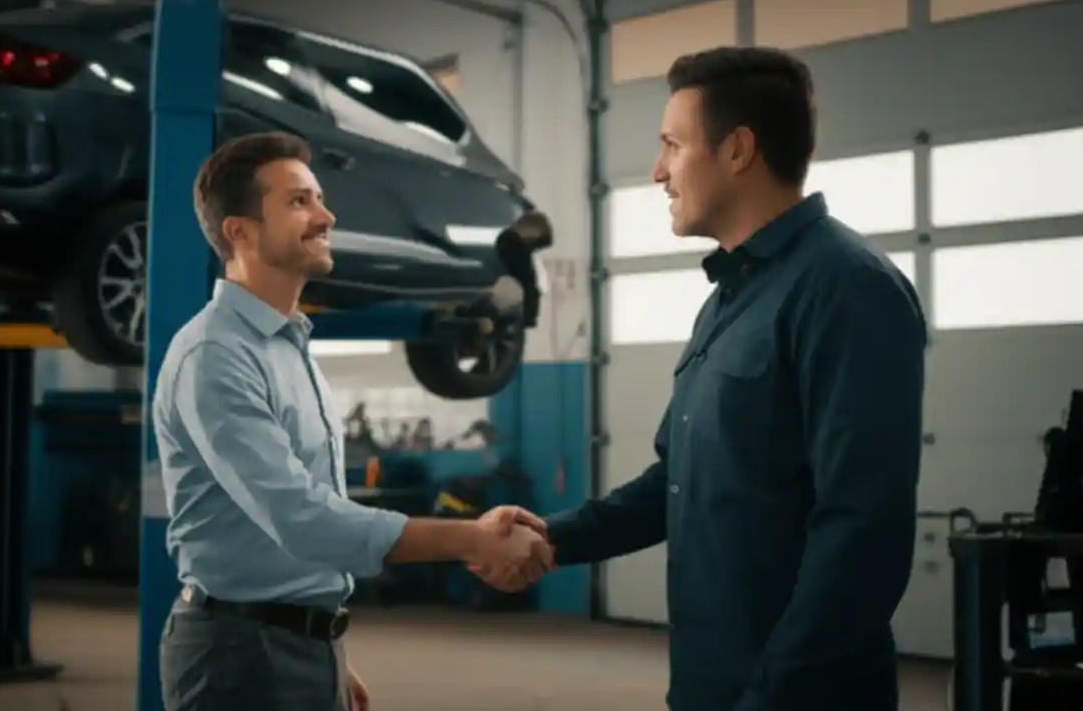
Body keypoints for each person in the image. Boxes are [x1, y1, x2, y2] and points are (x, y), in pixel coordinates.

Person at [481, 47, 929, 710]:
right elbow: (678, 482)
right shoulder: (730, 296)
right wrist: (555, 538)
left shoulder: (846, 288)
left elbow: (862, 531)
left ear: (738, 149)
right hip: (708, 683)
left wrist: (773, 695)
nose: (658, 171)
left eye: (671, 145)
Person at [151, 131, 552, 711]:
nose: (326, 215)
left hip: (296, 642)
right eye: (299, 202)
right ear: (239, 231)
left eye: (318, 198)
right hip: (239, 657)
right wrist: (469, 537)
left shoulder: (286, 345)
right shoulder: (214, 355)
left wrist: (324, 646)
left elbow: (303, 536)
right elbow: (302, 518)